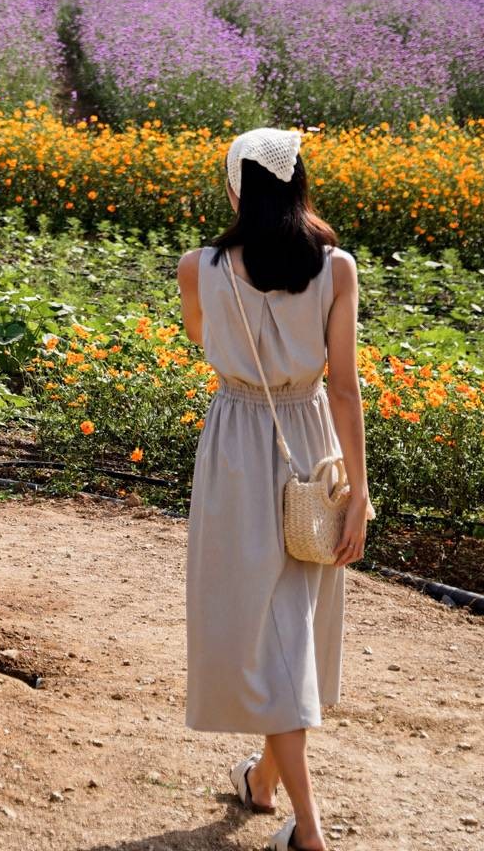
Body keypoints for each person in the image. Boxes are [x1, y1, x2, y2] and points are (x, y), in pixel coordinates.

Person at [177, 127, 372, 851]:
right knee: (292, 624)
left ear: (236, 189)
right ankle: (264, 784)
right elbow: (345, 388)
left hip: (234, 447)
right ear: (298, 184)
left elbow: (203, 341)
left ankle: (308, 830)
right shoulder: (337, 269)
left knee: (273, 626)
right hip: (312, 446)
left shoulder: (199, 268)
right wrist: (359, 491)